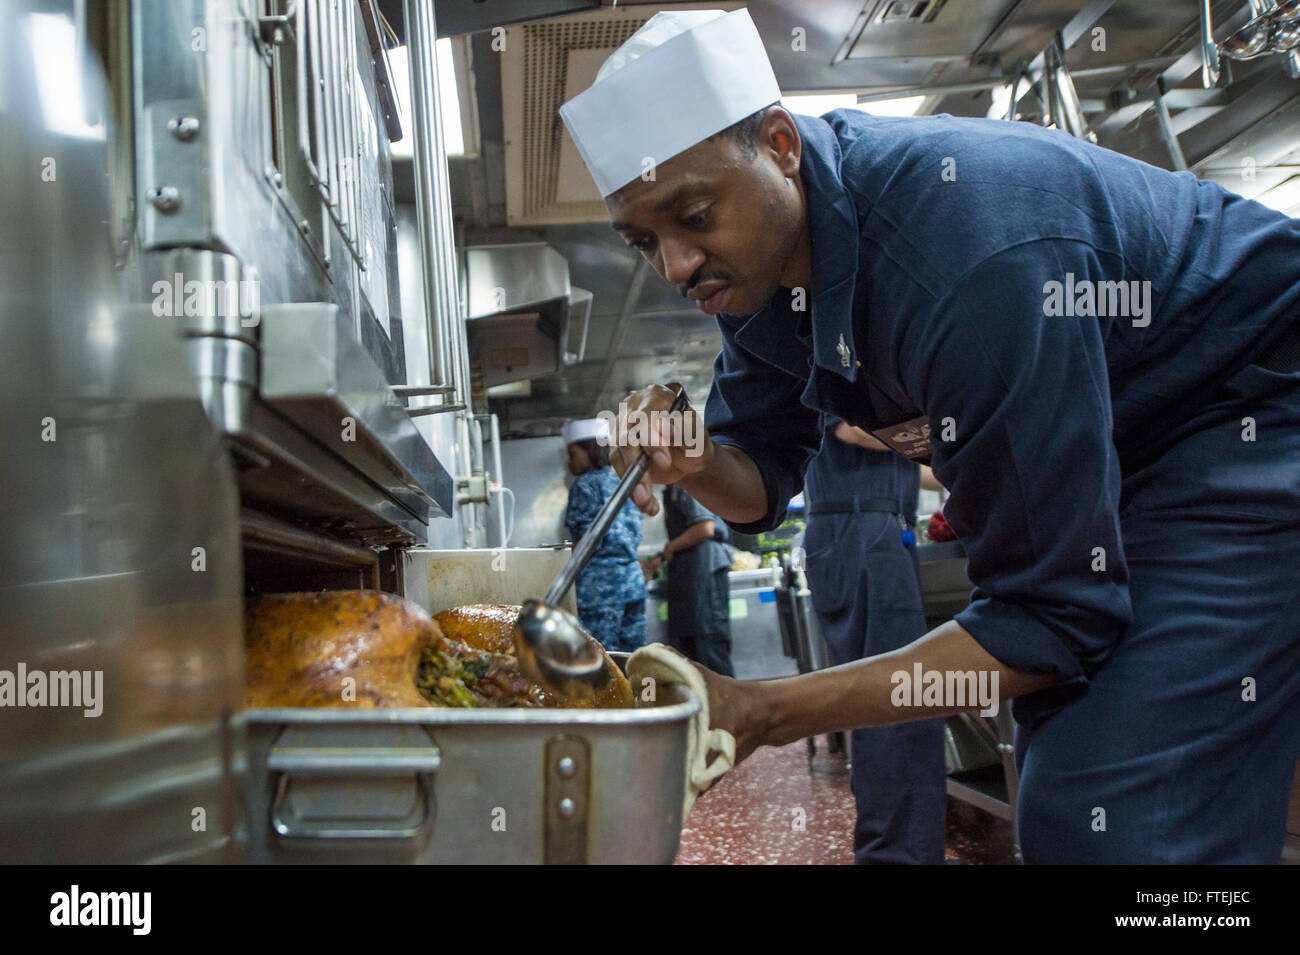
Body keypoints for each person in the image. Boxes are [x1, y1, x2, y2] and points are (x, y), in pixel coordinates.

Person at [561, 9, 1300, 863]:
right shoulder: (761, 273)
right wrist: (696, 456)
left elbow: (1052, 617)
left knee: (1117, 814)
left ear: (779, 144)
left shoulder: (964, 259)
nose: (676, 265)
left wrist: (765, 709)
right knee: (1079, 787)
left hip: (1248, 415)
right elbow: (760, 481)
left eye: (693, 215)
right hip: (1129, 460)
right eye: (643, 241)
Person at [802, 415, 945, 865]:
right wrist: (944, 431)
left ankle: (906, 850)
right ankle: (898, 856)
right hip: (862, 532)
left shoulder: (891, 422)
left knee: (888, 703)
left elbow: (923, 467)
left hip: (865, 530)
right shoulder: (845, 353)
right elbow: (853, 427)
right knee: (900, 701)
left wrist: (969, 459)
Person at [562, 418, 647, 653]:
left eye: (573, 454)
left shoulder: (584, 485)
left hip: (599, 588)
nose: (570, 462)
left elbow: (586, 543)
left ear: (590, 450)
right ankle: (640, 692)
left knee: (601, 660)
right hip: (632, 583)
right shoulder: (623, 479)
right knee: (634, 657)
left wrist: (557, 572)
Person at [655, 484, 735, 677]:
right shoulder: (671, 489)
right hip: (688, 577)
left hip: (705, 572)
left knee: (708, 647)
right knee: (689, 651)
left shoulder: (688, 485)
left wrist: (671, 547)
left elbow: (704, 527)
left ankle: (725, 704)